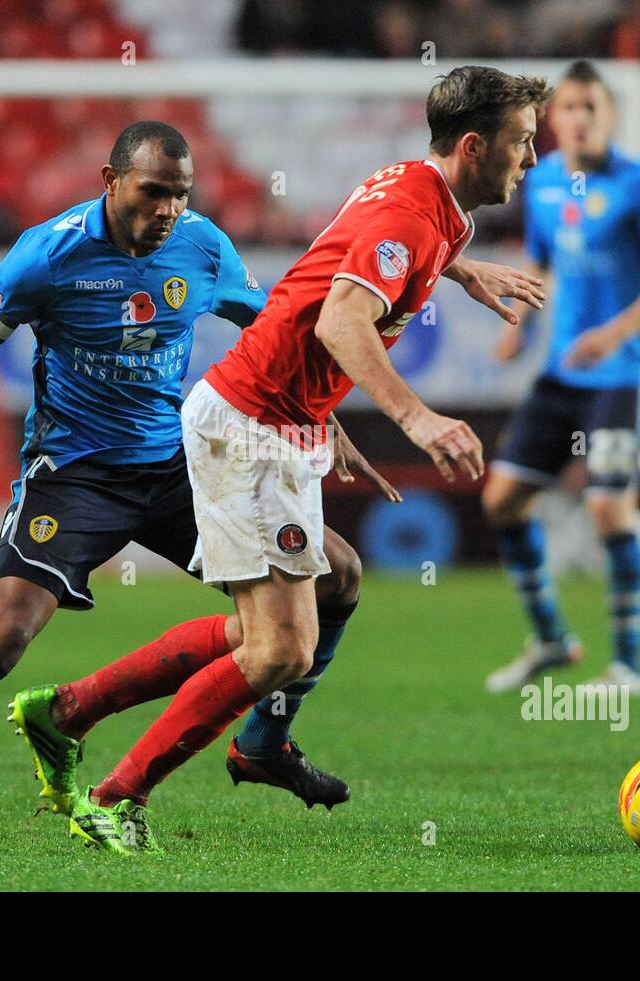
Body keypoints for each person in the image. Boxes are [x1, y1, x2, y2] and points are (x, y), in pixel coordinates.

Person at [0, 121, 386, 843]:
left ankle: (262, 742)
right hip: (75, 473)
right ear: (110, 184)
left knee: (335, 576)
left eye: (180, 195)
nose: (168, 210)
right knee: (6, 631)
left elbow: (272, 331)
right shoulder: (48, 255)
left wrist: (323, 419)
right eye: (152, 193)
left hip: (176, 466)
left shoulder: (201, 245)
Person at [49, 67, 550, 853]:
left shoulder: (432, 199)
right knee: (279, 647)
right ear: (475, 144)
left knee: (337, 580)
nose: (532, 157)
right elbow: (342, 324)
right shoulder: (413, 216)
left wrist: (462, 269)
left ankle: (138, 719)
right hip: (251, 423)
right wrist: (416, 417)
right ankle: (116, 793)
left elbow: (379, 243)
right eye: (522, 142)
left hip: (281, 421)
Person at [482, 61, 640, 696]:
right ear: (554, 120)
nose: (580, 118)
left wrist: (615, 334)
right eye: (569, 108)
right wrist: (518, 320)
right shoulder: (543, 184)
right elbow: (541, 262)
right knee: (502, 500)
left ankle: (627, 665)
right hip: (560, 374)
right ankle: (550, 636)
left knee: (607, 507)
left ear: (610, 115)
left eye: (591, 108)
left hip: (622, 374)